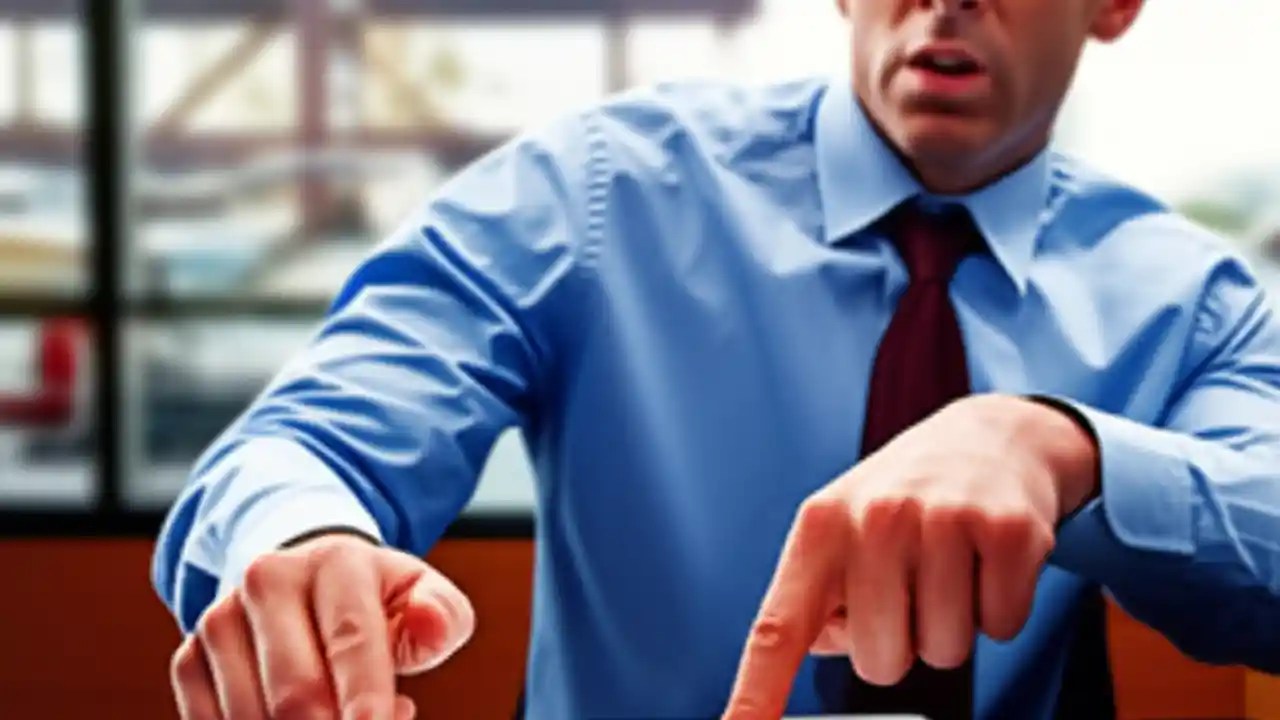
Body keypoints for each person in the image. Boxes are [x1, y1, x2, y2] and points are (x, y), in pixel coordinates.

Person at [153, 0, 1280, 717]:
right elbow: (305, 442)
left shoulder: (1189, 297)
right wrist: (298, 539)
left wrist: (1064, 452)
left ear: (1116, 5)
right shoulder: (594, 194)